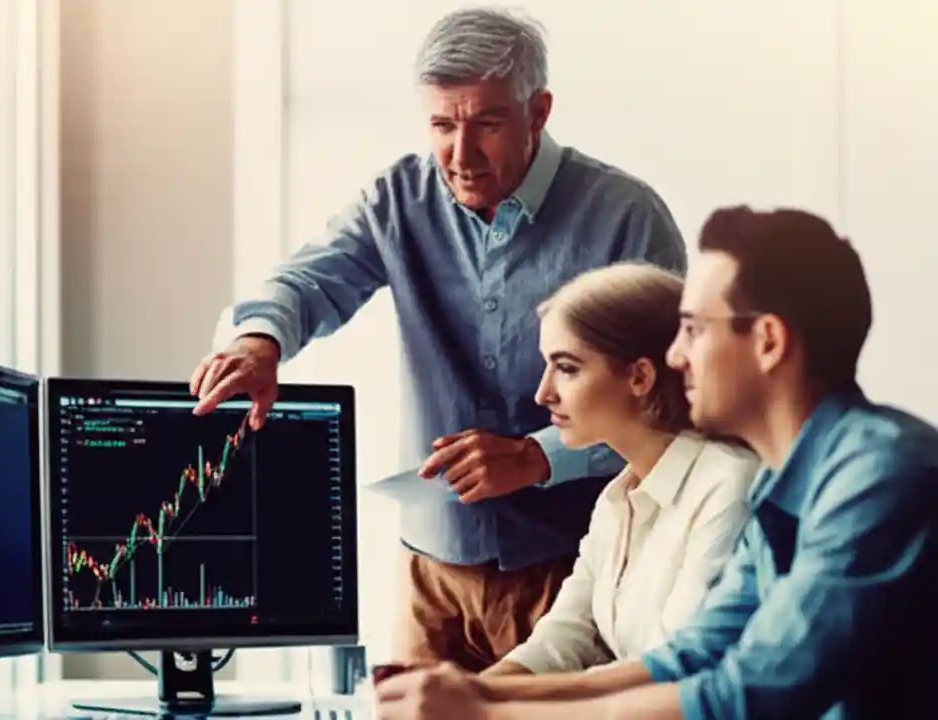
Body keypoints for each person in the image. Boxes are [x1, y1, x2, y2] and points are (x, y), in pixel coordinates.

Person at [190, 7, 686, 671]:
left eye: (486, 122)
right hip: (429, 574)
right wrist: (259, 341)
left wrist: (537, 457)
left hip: (571, 570)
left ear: (538, 112)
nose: (460, 152)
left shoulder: (627, 218)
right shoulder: (397, 199)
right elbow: (307, 283)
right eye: (442, 124)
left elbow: (668, 404)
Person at [375, 206, 938, 719]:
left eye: (693, 330)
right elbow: (688, 655)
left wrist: (490, 713)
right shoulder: (782, 485)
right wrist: (480, 691)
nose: (675, 355)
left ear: (767, 341)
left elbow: (746, 692)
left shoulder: (879, 476)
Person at [480, 262, 757, 678]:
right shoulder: (616, 499)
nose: (543, 393)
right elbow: (564, 637)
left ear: (640, 376)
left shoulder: (729, 487)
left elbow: (672, 672)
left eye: (567, 368)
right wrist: (476, 694)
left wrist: (488, 706)